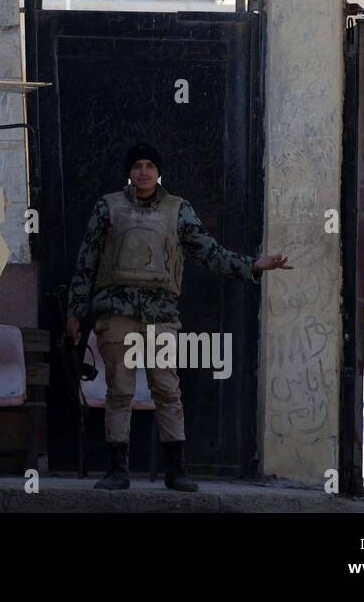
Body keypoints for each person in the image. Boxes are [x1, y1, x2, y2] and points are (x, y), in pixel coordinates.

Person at [65, 142, 291, 491]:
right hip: (116, 311)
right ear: (129, 171)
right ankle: (117, 470)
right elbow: (87, 262)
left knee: (167, 390)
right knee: (120, 391)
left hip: (161, 313)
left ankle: (176, 470)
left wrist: (253, 265)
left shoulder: (178, 210)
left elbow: (209, 252)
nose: (143, 172)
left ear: (159, 171)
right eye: (137, 165)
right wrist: (75, 313)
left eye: (149, 166)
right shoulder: (107, 208)